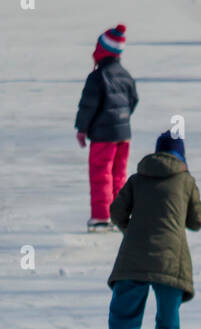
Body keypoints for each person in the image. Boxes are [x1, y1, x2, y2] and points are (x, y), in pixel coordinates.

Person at [95, 131, 201, 329]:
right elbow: (197, 220)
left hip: (133, 258)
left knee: (123, 316)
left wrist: (133, 231)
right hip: (170, 260)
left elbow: (116, 212)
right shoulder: (186, 180)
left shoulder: (137, 179)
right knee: (168, 321)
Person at [74, 24, 138, 231]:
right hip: (124, 134)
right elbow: (133, 100)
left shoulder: (97, 77)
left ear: (101, 51)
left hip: (103, 135)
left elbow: (88, 106)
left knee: (101, 172)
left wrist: (82, 129)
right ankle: (120, 215)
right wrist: (122, 119)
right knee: (119, 173)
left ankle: (102, 217)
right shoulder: (126, 75)